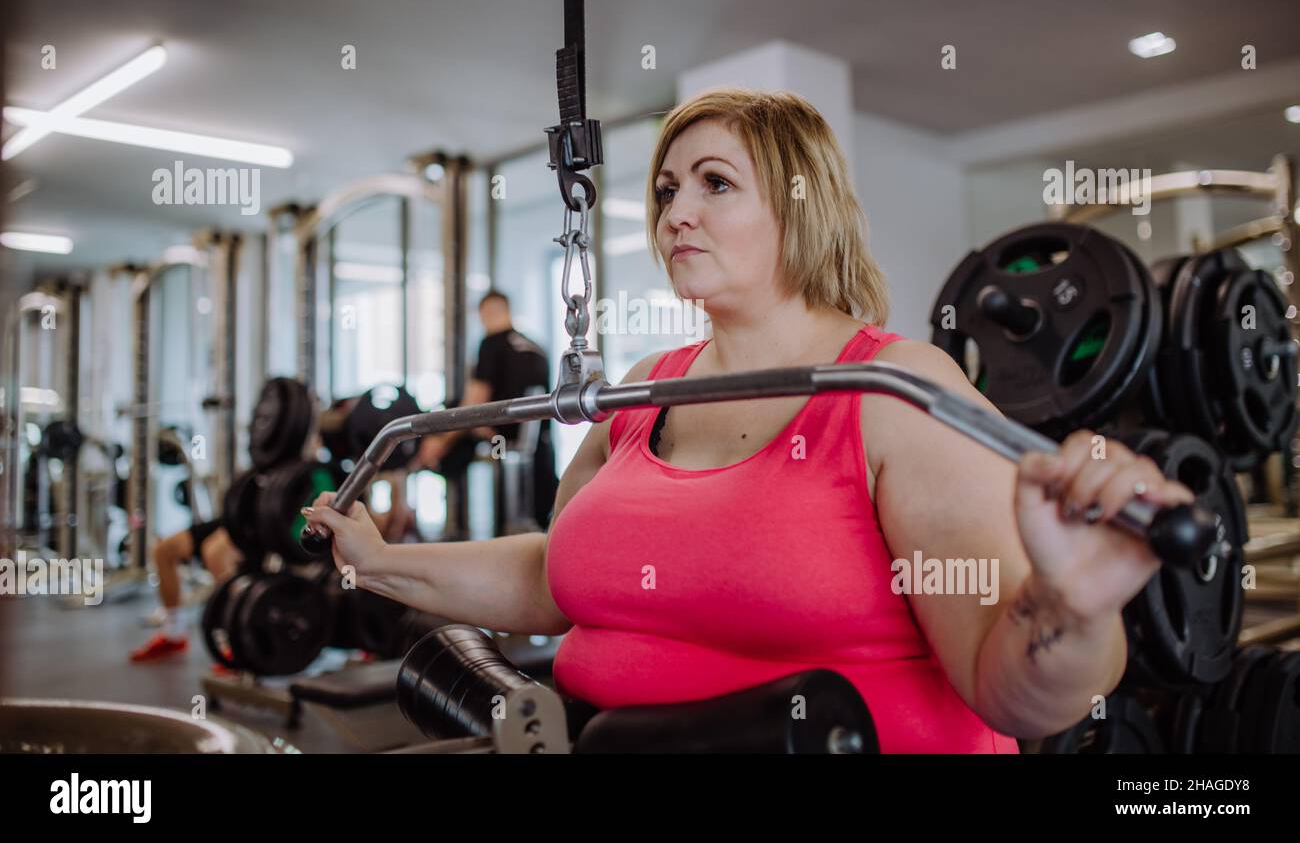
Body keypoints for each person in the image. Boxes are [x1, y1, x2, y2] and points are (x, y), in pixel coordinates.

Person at [303, 88, 1193, 752]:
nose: (674, 213)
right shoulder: (644, 389)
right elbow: (554, 576)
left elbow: (1016, 696)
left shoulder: (896, 392)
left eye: (714, 183)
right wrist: (380, 563)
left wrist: (1070, 607)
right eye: (665, 190)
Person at [415, 291, 559, 530]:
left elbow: (474, 404)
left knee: (445, 429)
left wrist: (441, 440)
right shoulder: (537, 347)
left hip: (499, 440)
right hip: (538, 448)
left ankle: (451, 526)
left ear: (485, 313)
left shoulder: (491, 344)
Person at [129, 517, 240, 661]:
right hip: (232, 516)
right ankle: (174, 634)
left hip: (260, 517)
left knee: (215, 554)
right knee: (163, 551)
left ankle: (236, 645)